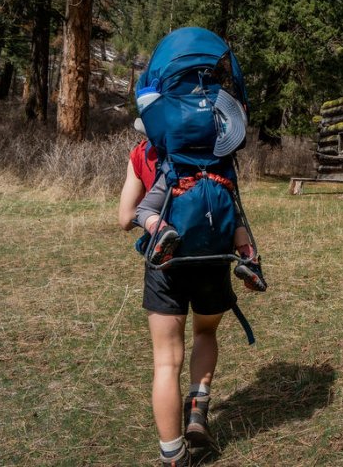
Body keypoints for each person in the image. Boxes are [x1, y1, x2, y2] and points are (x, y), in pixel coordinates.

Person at [118, 138, 262, 467]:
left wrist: (151, 216)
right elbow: (232, 208)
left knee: (166, 362)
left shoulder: (143, 152)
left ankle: (173, 454)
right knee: (205, 333)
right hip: (212, 259)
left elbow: (126, 218)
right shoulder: (215, 148)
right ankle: (197, 409)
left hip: (166, 266)